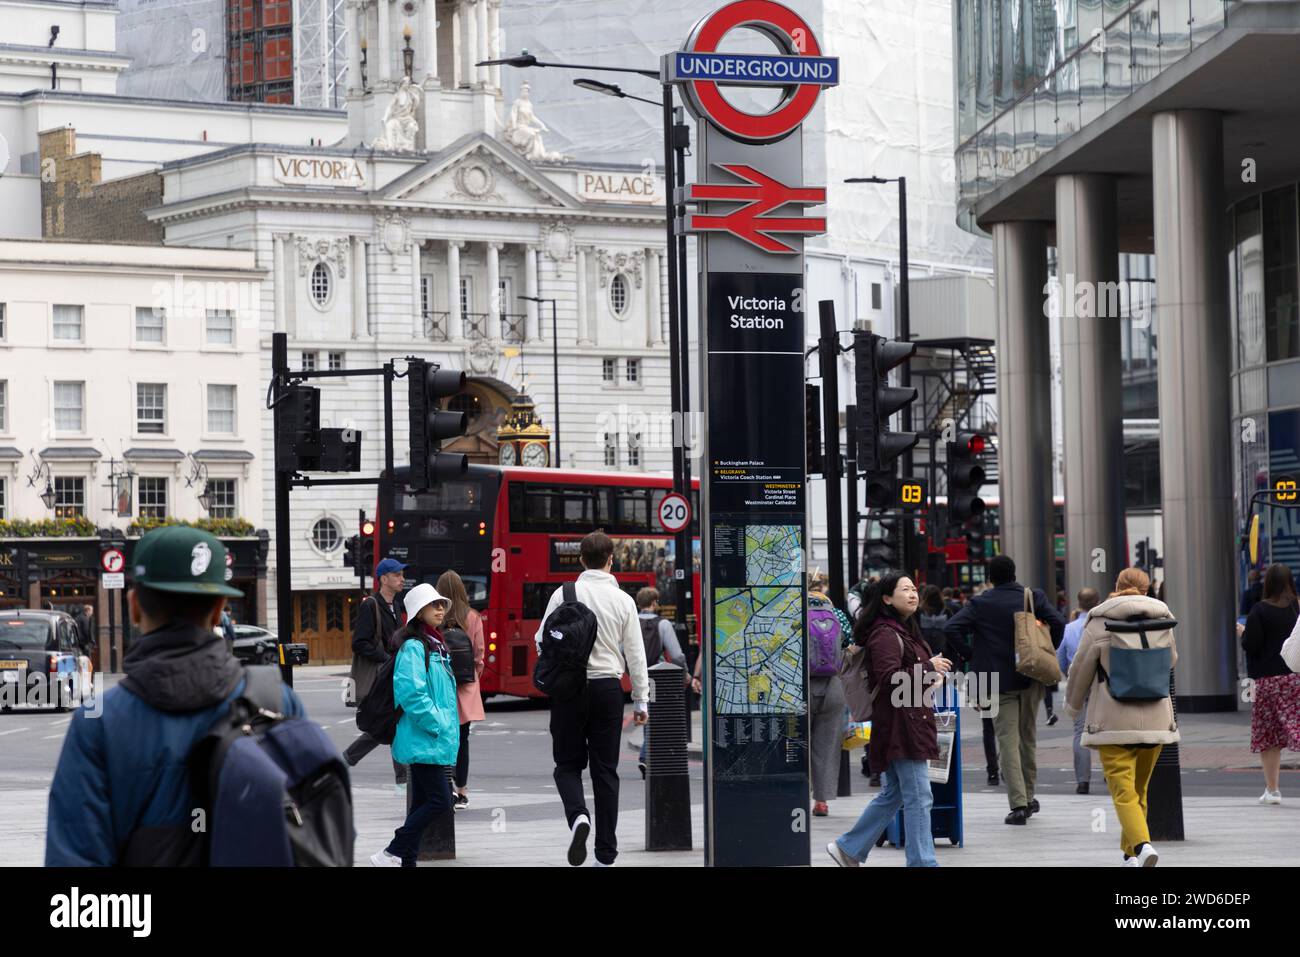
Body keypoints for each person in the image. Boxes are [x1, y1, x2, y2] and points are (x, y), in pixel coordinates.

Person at [46, 527, 305, 865]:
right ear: (219, 610)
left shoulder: (96, 720)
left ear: (135, 606)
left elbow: (75, 865)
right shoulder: (278, 701)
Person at [536, 531, 650, 867]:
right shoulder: (624, 601)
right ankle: (605, 855)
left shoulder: (563, 593)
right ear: (611, 559)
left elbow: (541, 639)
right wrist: (641, 701)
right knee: (605, 772)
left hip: (570, 688)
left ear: (581, 560)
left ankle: (578, 817)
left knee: (567, 766)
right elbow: (636, 655)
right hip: (607, 690)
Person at [827, 572, 951, 868]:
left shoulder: (905, 629)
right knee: (920, 796)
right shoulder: (885, 633)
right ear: (886, 598)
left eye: (914, 589)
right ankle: (923, 862)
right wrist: (927, 665)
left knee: (894, 794)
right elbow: (890, 679)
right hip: (901, 724)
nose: (912, 594)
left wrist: (932, 673)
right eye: (904, 589)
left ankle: (849, 848)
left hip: (910, 719)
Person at [1065, 567, 1178, 867]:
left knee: (1123, 790)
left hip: (1112, 719)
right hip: (1155, 717)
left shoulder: (1100, 621)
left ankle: (1141, 846)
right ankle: (1129, 855)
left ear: (1116, 586)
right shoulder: (1162, 617)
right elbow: (1172, 660)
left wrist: (1072, 706)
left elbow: (1080, 669)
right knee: (1139, 789)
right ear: (1146, 589)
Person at [944, 554, 1065, 824]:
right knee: (1028, 739)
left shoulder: (980, 603)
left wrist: (970, 654)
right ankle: (1030, 797)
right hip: (1030, 676)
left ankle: (1019, 804)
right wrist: (1047, 649)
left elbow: (952, 627)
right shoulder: (1031, 597)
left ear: (990, 577)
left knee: (1007, 741)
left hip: (996, 682)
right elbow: (1058, 623)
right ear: (1013, 574)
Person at [370, 584, 459, 867]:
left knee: (422, 803)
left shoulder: (435, 643)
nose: (441, 609)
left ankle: (404, 860)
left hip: (429, 737)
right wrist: (437, 722)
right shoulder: (413, 646)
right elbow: (412, 694)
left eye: (442, 605)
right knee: (440, 801)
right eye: (434, 605)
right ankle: (392, 851)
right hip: (425, 736)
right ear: (419, 611)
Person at [344, 557, 409, 791]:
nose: (402, 579)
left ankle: (347, 760)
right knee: (390, 722)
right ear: (383, 579)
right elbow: (359, 643)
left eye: (402, 575)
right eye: (397, 575)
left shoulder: (397, 605)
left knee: (390, 723)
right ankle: (402, 779)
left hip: (393, 673)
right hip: (381, 675)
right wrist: (386, 659)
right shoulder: (370, 605)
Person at [1240, 563, 1300, 805]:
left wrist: (1242, 632)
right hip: (1295, 678)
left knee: (1269, 736)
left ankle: (1272, 789)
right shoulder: (1296, 608)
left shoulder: (1259, 610)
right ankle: (1271, 790)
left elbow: (1251, 645)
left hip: (1266, 682)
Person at [435, 570, 485, 811]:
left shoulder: (436, 616)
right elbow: (479, 655)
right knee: (462, 740)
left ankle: (445, 788)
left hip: (441, 684)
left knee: (443, 737)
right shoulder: (473, 617)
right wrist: (474, 677)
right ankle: (462, 791)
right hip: (466, 685)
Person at [634, 587, 690, 778]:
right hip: (657, 677)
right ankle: (645, 757)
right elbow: (677, 655)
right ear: (654, 602)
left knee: (645, 712)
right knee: (655, 716)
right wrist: (685, 675)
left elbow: (622, 652)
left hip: (637, 675)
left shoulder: (631, 622)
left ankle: (647, 757)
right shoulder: (663, 624)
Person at [807, 573, 850, 816]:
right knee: (826, 745)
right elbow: (849, 643)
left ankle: (798, 793)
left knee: (797, 744)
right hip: (833, 685)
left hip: (801, 685)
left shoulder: (793, 611)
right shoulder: (837, 614)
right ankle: (821, 801)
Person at [1057, 587, 1101, 793]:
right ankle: (1111, 775)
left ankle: (1083, 781)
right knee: (1108, 730)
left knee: (1080, 732)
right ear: (1098, 602)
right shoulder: (1105, 626)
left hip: (1079, 687)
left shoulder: (1069, 629)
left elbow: (1061, 660)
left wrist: (1071, 676)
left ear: (1079, 602)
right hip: (1102, 686)